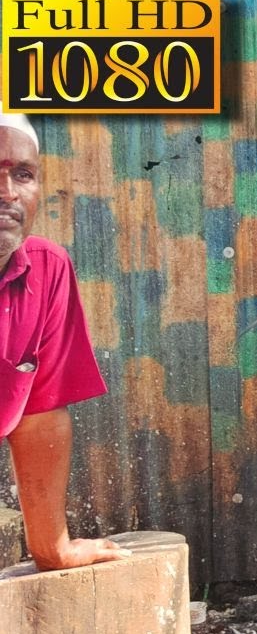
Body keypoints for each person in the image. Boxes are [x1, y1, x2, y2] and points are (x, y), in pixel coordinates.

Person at [0, 105, 129, 572]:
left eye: (23, 174)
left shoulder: (46, 269)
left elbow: (38, 415)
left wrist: (51, 548)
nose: (6, 193)